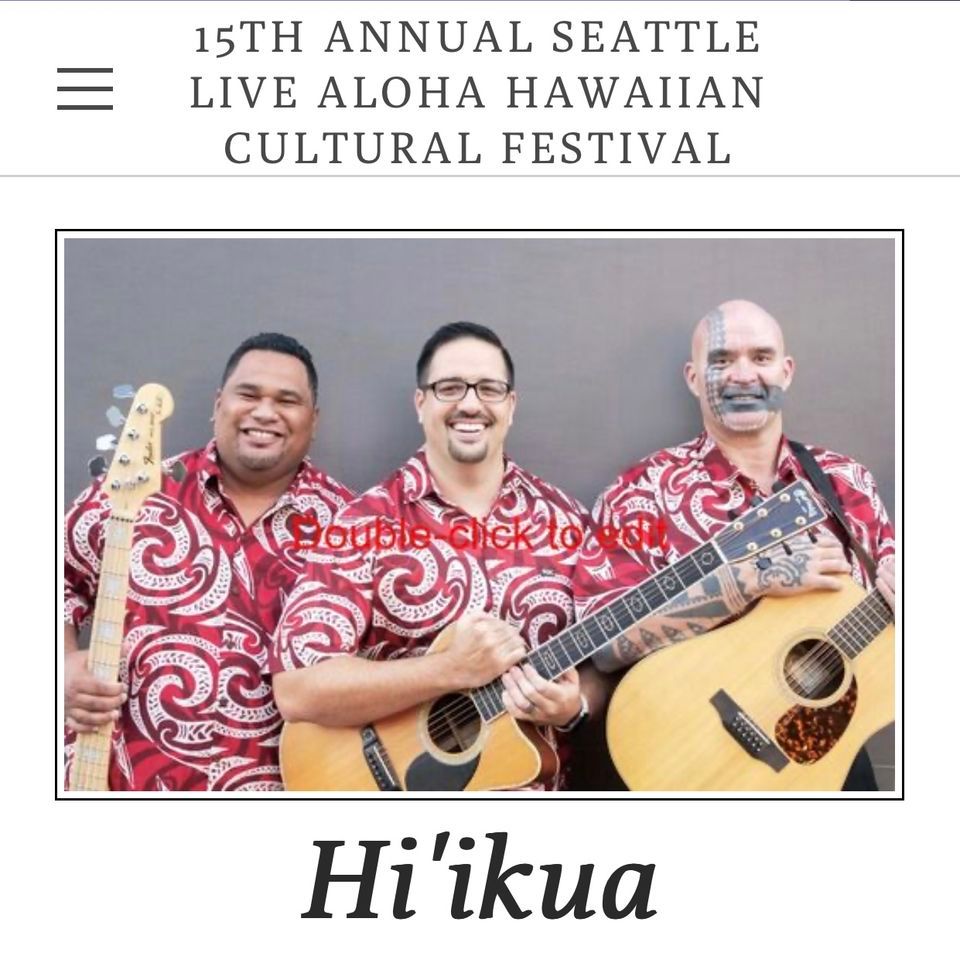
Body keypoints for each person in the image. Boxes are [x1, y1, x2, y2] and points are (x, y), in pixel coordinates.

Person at [573, 299, 896, 789]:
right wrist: (749, 579)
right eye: (721, 360)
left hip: (818, 759)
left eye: (761, 358)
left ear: (786, 372)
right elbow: (602, 644)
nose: (743, 374)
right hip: (682, 757)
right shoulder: (642, 491)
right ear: (692, 377)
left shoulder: (845, 481)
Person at [272, 322, 603, 790]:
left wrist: (577, 705)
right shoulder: (363, 523)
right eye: (449, 387)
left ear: (511, 406)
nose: (470, 403)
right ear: (420, 403)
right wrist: (448, 670)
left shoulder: (569, 521)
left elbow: (609, 661)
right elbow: (298, 689)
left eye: (489, 388)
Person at [63, 332, 354, 790]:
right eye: (248, 393)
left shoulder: (350, 526)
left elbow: (390, 660)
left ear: (313, 420)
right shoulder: (131, 490)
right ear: (219, 403)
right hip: (119, 788)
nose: (264, 411)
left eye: (287, 400)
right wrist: (61, 666)